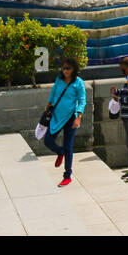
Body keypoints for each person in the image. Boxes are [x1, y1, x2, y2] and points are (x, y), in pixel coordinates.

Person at [42, 58, 86, 188]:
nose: (65, 70)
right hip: (56, 116)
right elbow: (53, 93)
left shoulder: (79, 83)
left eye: (68, 68)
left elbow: (82, 101)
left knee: (68, 145)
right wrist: (48, 105)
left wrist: (78, 117)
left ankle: (67, 176)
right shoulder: (59, 79)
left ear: (74, 69)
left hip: (70, 118)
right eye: (64, 68)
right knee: (48, 141)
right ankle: (60, 152)